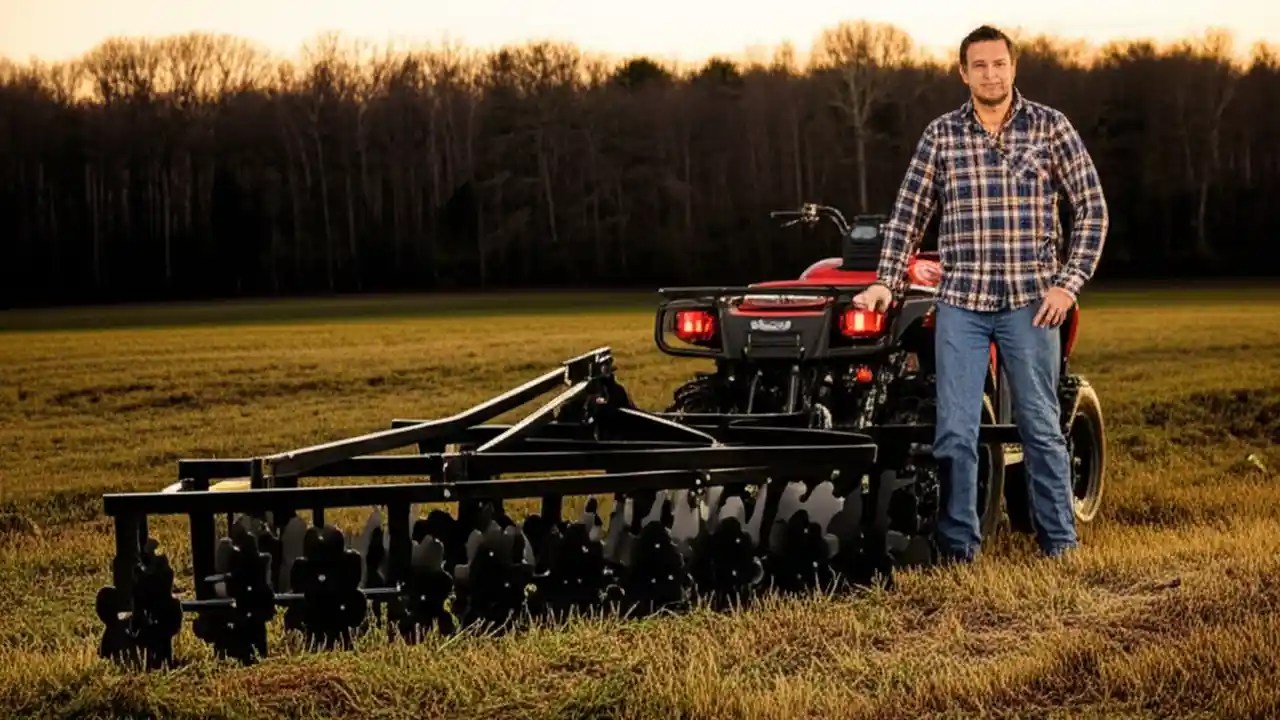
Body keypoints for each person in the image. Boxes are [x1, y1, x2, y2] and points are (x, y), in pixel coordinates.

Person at [852, 25, 1108, 562]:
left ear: (1013, 68)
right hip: (962, 305)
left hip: (1031, 305)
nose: (991, 74)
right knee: (955, 433)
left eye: (999, 64)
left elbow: (1092, 209)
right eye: (980, 65)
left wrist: (1068, 283)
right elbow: (908, 216)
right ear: (963, 72)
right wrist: (885, 282)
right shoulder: (941, 135)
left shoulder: (1050, 128)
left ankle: (1060, 545)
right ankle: (960, 549)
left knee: (1040, 428)